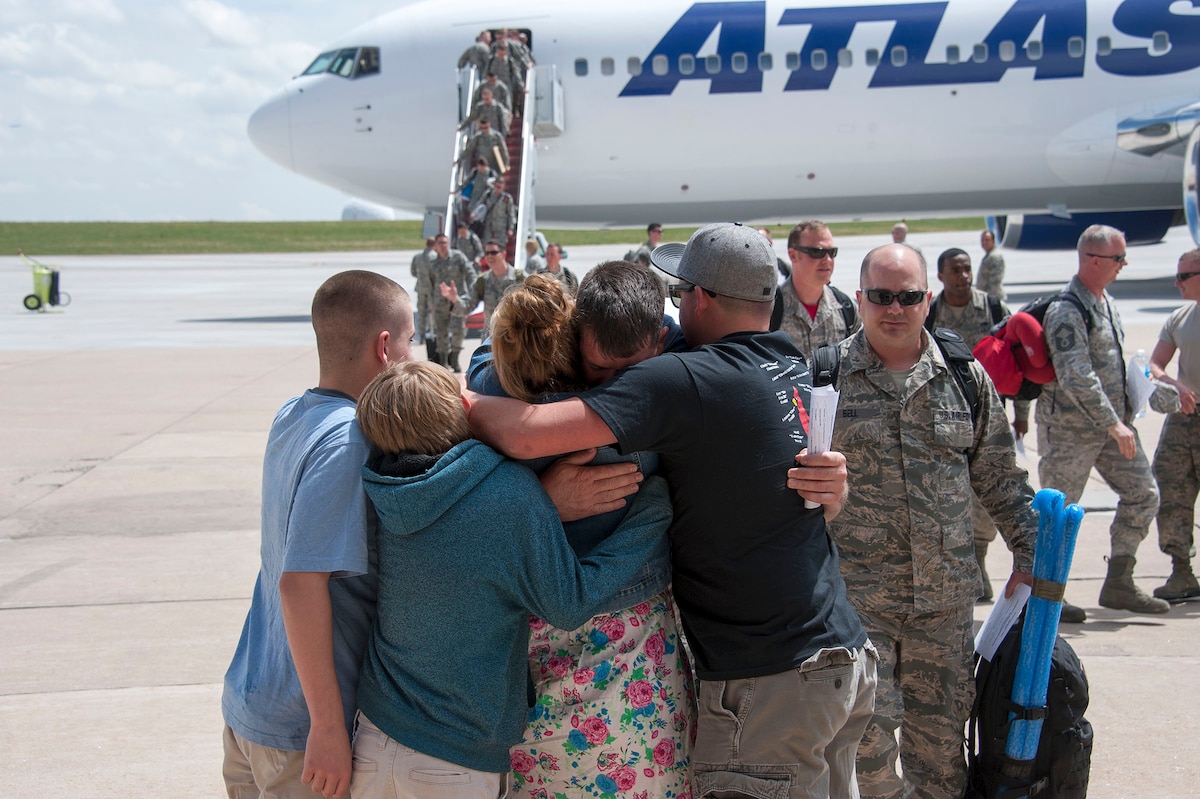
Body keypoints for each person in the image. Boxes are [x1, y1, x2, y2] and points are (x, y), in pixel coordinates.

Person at [468, 223, 875, 799]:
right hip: (837, 656)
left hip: (770, 679)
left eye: (681, 295)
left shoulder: (681, 378)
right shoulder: (789, 365)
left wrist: (441, 394)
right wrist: (836, 488)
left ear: (699, 299)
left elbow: (530, 435)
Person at [349, 360, 673, 799]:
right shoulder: (507, 492)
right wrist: (653, 510)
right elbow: (569, 602)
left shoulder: (388, 494)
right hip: (452, 756)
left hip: (373, 731)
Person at [828, 243, 1037, 799]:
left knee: (941, 759)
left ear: (928, 300)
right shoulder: (823, 380)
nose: (894, 308)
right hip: (858, 605)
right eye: (881, 296)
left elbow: (998, 473)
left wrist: (1030, 550)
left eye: (908, 296)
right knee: (865, 752)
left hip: (943, 608)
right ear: (859, 299)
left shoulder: (963, 376)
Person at [479, 275, 695, 798]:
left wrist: (536, 503)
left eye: (632, 372)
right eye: (603, 368)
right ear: (574, 334)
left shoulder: (499, 399)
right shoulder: (652, 388)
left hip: (541, 641)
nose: (619, 388)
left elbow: (485, 369)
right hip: (623, 642)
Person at [221, 270, 414, 799]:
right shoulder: (348, 439)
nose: (414, 354)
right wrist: (328, 729)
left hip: (252, 700)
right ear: (384, 346)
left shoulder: (294, 414)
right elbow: (300, 582)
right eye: (411, 339)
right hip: (302, 733)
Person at [1036, 224, 1170, 614]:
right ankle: (1046, 599)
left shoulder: (1105, 302)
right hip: (1071, 434)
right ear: (1093, 260)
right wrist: (1114, 423)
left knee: (1144, 494)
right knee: (1056, 515)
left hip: (1114, 428)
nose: (1124, 264)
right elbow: (1076, 373)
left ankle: (1119, 582)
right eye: (1118, 258)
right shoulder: (1066, 310)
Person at [1149, 249, 1200, 600]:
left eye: (1184, 276)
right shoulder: (1180, 318)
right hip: (1184, 418)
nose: (1177, 282)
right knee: (1172, 487)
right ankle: (1181, 571)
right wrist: (1175, 384)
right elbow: (1155, 364)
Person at [774, 219, 861, 353]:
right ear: (793, 255)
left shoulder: (846, 308)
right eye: (817, 252)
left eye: (832, 252)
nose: (827, 259)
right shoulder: (770, 310)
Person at [442, 239, 521, 335]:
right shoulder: (483, 281)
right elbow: (467, 306)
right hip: (491, 340)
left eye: (493, 252)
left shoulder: (520, 278)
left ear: (503, 254)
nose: (489, 256)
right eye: (487, 253)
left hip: (515, 338)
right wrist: (455, 299)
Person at [426, 233, 477, 373]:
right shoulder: (433, 263)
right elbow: (430, 283)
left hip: (457, 301)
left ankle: (454, 359)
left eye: (445, 242)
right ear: (436, 246)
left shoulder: (458, 257)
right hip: (440, 302)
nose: (443, 246)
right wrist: (431, 303)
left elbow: (470, 273)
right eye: (440, 243)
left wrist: (471, 292)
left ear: (448, 243)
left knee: (458, 331)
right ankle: (443, 362)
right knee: (441, 332)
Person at [410, 237, 437, 363]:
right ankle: (431, 332)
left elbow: (413, 271)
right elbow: (435, 274)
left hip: (421, 287)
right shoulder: (435, 257)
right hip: (431, 289)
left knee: (421, 312)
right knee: (432, 314)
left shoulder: (418, 256)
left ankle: (420, 336)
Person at [477, 176, 517, 248]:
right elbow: (480, 204)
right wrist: (475, 213)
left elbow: (511, 214)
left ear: (503, 187)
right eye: (497, 186)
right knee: (486, 244)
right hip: (488, 224)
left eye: (500, 187)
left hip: (500, 226)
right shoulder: (488, 195)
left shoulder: (507, 198)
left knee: (500, 246)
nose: (498, 189)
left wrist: (510, 228)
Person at [977, 229, 1007, 301]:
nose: (984, 242)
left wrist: (991, 299)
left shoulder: (995, 257)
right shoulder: (989, 256)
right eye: (982, 240)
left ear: (993, 241)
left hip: (993, 298)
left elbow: (995, 282)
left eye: (987, 240)